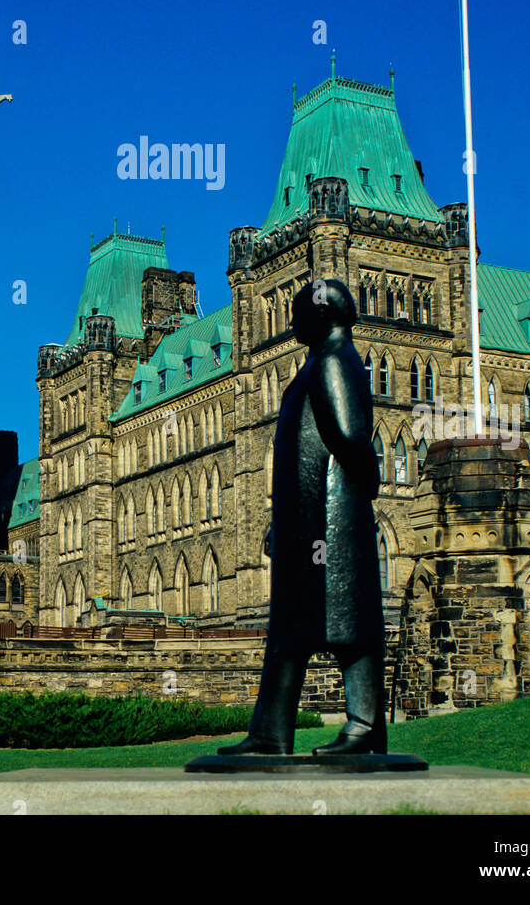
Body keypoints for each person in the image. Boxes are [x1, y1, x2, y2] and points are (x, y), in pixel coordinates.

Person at [219, 277, 386, 756]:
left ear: (321, 315)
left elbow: (352, 435)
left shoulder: (334, 360)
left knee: (346, 624)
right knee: (290, 632)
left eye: (296, 311)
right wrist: (283, 520)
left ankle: (364, 727)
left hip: (332, 516)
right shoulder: (319, 361)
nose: (289, 320)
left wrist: (366, 486)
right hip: (308, 517)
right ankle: (270, 733)